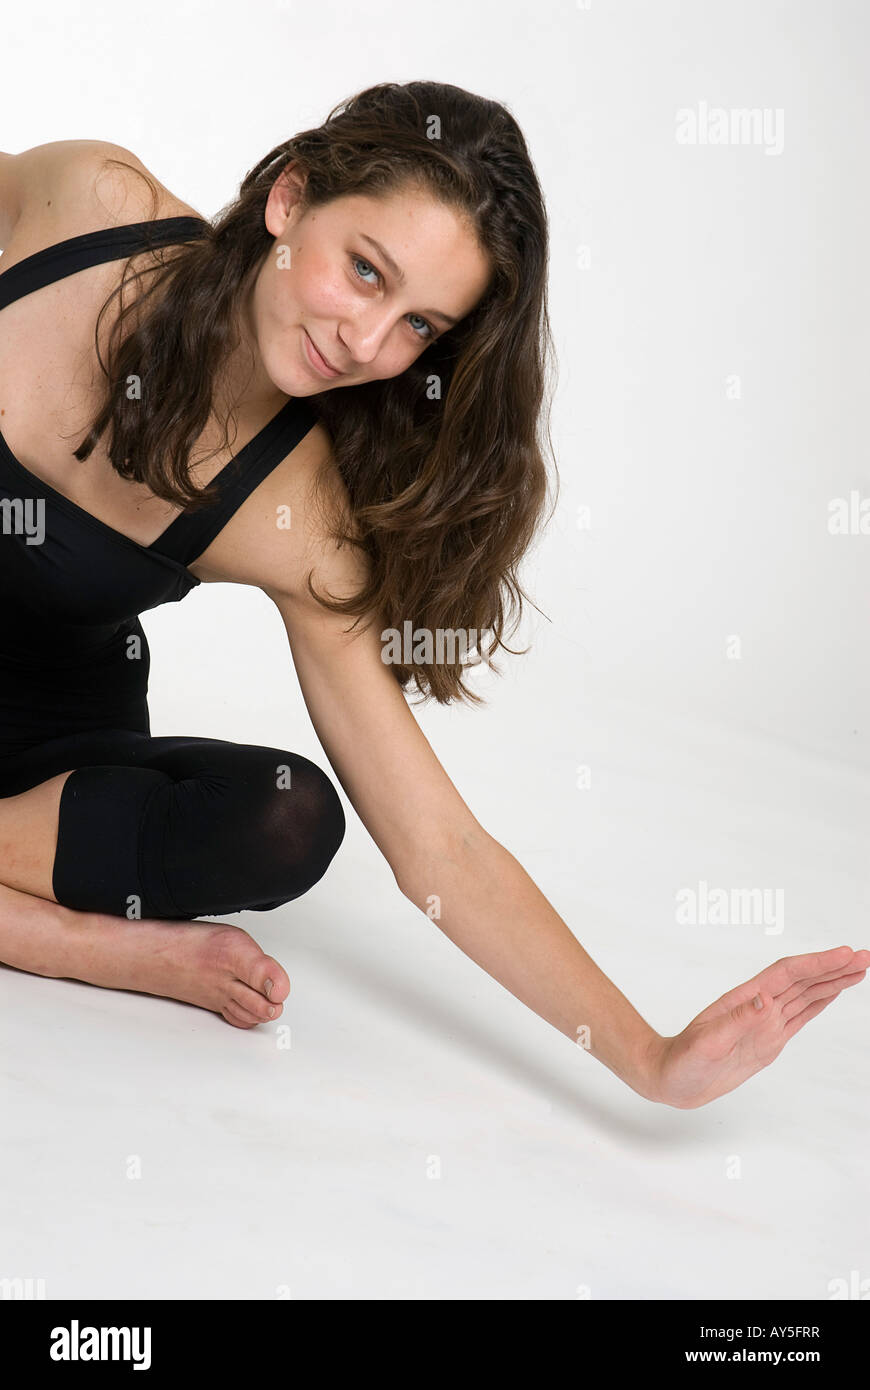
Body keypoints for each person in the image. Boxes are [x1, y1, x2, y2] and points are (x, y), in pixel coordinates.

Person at [0, 82, 864, 1109]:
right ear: (290, 198)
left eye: (416, 323)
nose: (365, 341)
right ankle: (63, 938)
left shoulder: (303, 516)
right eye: (364, 270)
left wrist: (652, 1056)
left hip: (41, 748)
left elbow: (438, 845)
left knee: (289, 818)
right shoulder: (86, 212)